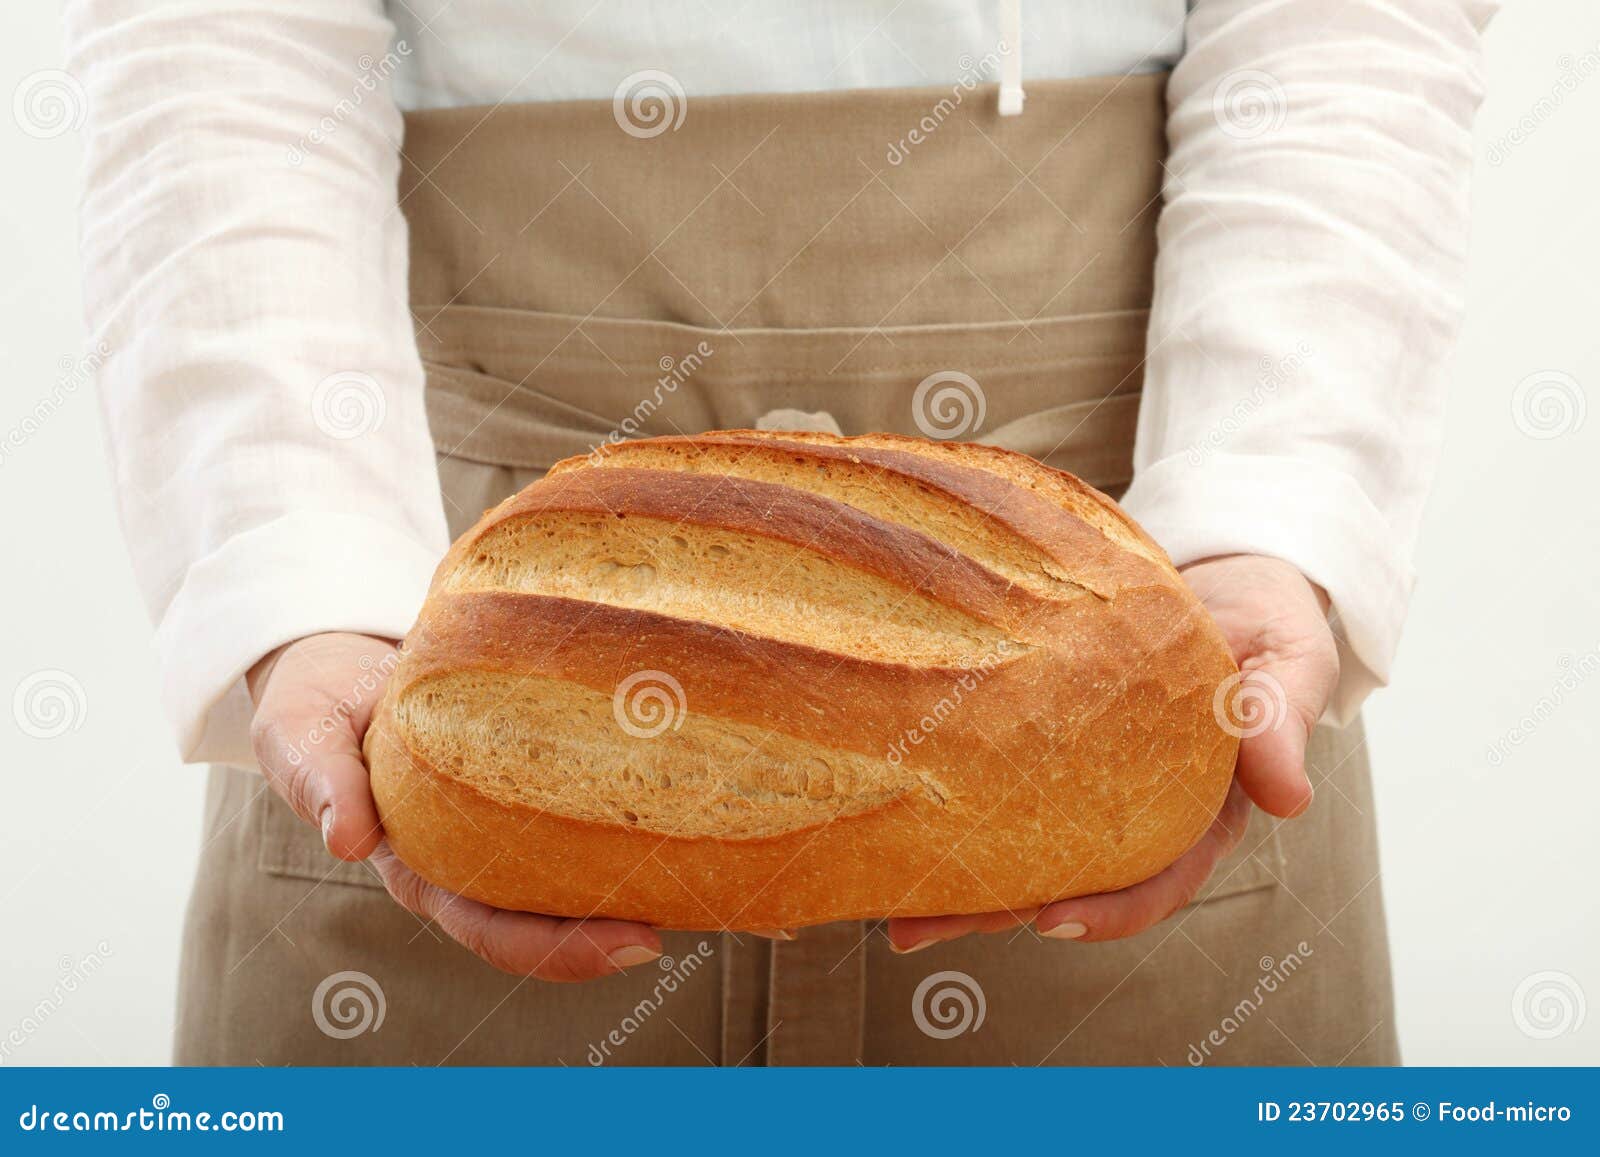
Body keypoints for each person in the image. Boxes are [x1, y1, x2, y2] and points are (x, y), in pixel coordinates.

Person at [67, 0, 1494, 1065]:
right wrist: (302, 561)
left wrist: (1271, 504)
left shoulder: (1198, 623)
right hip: (432, 582)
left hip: (1139, 583)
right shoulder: (386, 637)